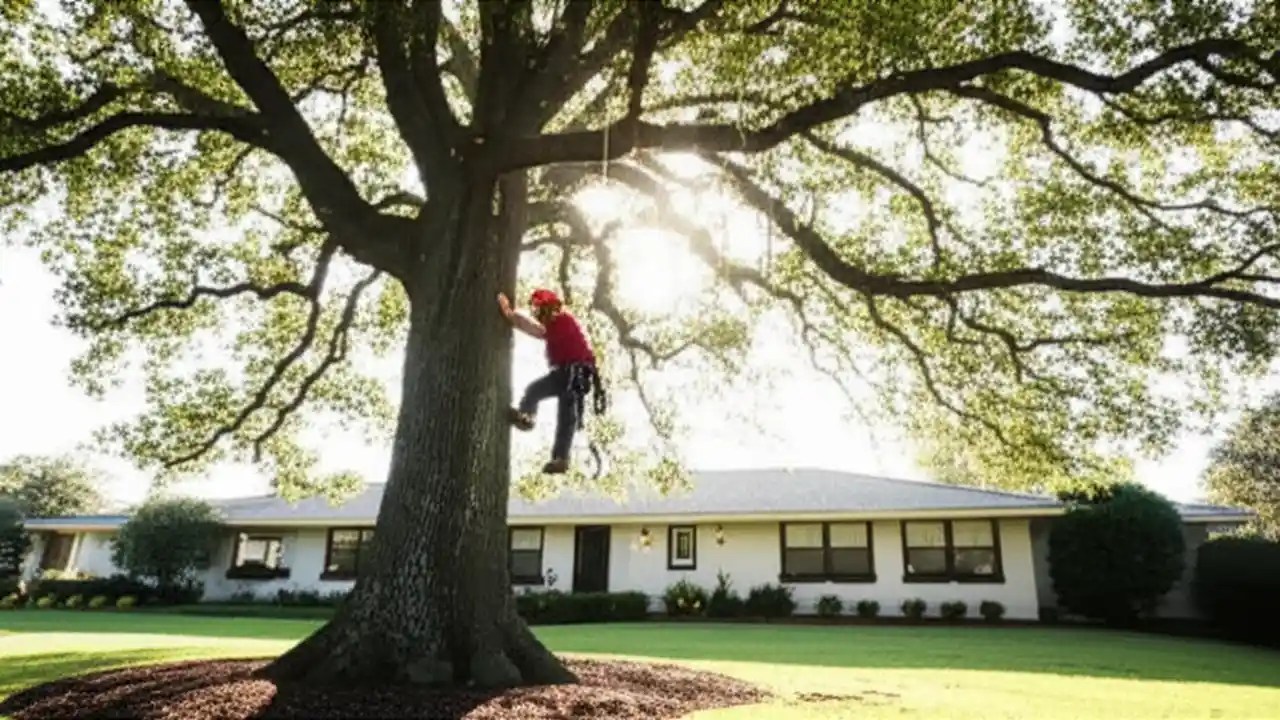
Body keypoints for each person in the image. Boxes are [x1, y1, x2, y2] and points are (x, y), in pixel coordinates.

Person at [498, 288, 604, 474]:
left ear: (548, 309)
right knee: (534, 390)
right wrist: (511, 315)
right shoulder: (553, 325)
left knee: (567, 414)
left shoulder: (564, 321)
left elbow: (540, 331)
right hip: (563, 373)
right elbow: (537, 330)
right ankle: (527, 418)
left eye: (539, 310)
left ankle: (561, 458)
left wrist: (517, 318)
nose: (537, 314)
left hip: (576, 373)